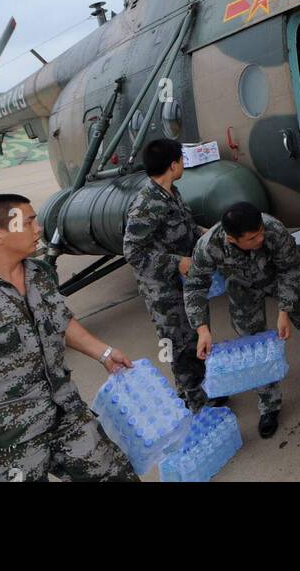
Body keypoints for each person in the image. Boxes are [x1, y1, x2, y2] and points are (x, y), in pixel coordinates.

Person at [0, 193, 137, 482]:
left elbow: (58, 318)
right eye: (28, 222)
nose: (38, 229)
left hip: (64, 414)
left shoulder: (40, 274)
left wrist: (103, 353)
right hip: (2, 444)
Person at [185, 202, 300, 439]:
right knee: (254, 345)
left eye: (261, 231)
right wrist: (202, 329)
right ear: (233, 240)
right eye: (252, 238)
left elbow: (290, 270)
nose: (260, 239)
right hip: (244, 289)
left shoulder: (273, 229)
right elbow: (194, 287)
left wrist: (284, 311)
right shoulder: (208, 246)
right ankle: (269, 405)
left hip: (280, 278)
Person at [122, 138, 210, 411]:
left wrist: (208, 235)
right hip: (162, 291)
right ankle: (194, 404)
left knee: (195, 337)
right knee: (177, 345)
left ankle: (203, 388)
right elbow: (132, 252)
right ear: (173, 165)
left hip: (183, 283)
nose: (183, 164)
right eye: (182, 160)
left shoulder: (171, 192)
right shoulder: (147, 204)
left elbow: (186, 226)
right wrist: (175, 262)